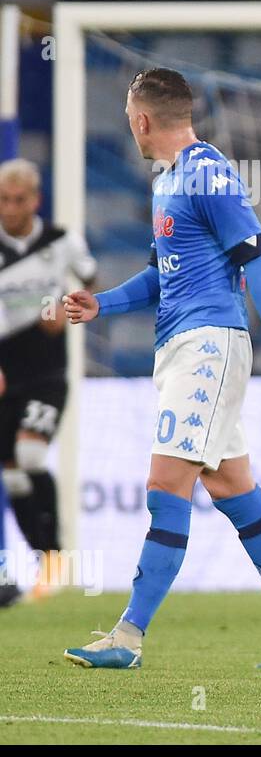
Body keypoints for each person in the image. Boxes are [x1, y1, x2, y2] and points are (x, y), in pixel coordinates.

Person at [62, 68, 261, 668]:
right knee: (235, 490)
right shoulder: (170, 180)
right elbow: (162, 278)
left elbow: (257, 258)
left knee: (166, 487)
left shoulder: (208, 173)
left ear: (140, 120)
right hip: (189, 346)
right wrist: (101, 302)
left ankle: (128, 637)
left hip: (209, 347)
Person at [0, 157, 97, 600]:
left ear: (35, 200)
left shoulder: (62, 242)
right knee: (14, 476)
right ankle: (44, 565)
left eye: (18, 199)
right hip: (5, 375)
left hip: (48, 375)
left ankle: (55, 558)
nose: (10, 208)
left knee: (32, 456)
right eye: (3, 199)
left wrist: (68, 306)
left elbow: (90, 283)